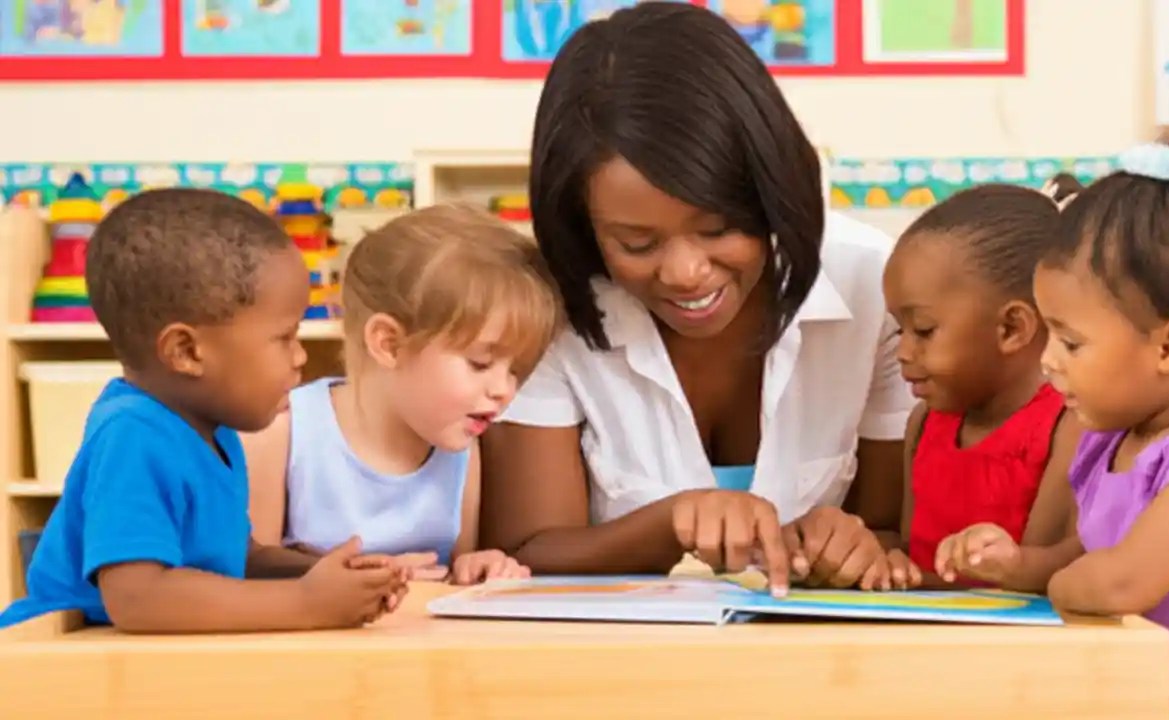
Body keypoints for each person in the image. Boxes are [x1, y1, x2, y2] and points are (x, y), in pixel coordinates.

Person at [480, 3, 913, 597]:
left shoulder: (876, 287)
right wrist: (667, 525)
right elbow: (523, 552)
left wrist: (855, 545)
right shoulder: (544, 307)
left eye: (718, 230)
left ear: (771, 191)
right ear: (583, 225)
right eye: (636, 242)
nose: (686, 273)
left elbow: (895, 531)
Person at [942, 126, 1169, 717]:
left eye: (1071, 343)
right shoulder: (1106, 444)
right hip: (1137, 688)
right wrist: (1016, 564)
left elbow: (1120, 583)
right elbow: (1083, 553)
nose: (1047, 360)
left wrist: (1059, 586)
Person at [0, 189, 406, 633]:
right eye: (284, 337)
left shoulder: (211, 430)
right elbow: (138, 598)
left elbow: (234, 559)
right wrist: (307, 602)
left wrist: (323, 573)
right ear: (186, 351)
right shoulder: (133, 435)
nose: (300, 357)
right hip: (57, 663)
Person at [243, 206, 559, 585]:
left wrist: (477, 566)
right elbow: (250, 576)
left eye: (516, 371)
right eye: (479, 363)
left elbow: (452, 579)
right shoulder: (281, 434)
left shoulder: (461, 446)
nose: (503, 390)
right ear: (389, 344)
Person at [884, 185, 1082, 588]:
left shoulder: (1068, 427)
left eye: (923, 330)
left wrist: (912, 582)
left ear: (1011, 328)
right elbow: (910, 550)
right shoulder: (924, 424)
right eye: (897, 330)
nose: (903, 352)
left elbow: (1033, 584)